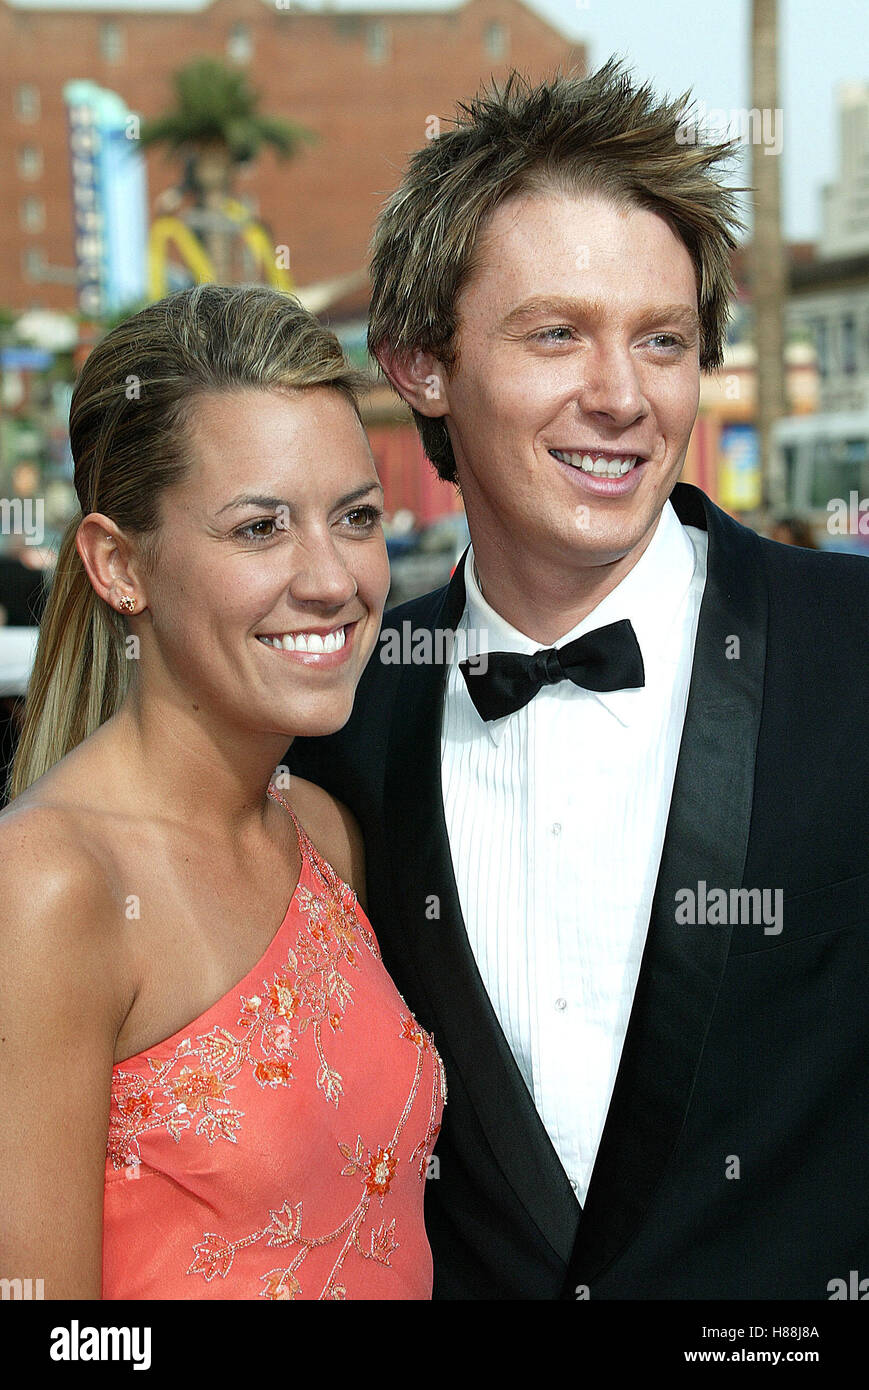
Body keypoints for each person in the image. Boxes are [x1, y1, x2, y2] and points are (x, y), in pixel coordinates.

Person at [288, 61, 869, 1299]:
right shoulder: (340, 718)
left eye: (659, 340)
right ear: (419, 363)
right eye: (555, 332)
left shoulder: (853, 646)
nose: (618, 395)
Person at [0, 285, 444, 1301]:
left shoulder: (324, 833)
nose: (331, 579)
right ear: (118, 564)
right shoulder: (47, 886)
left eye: (355, 517)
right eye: (259, 528)